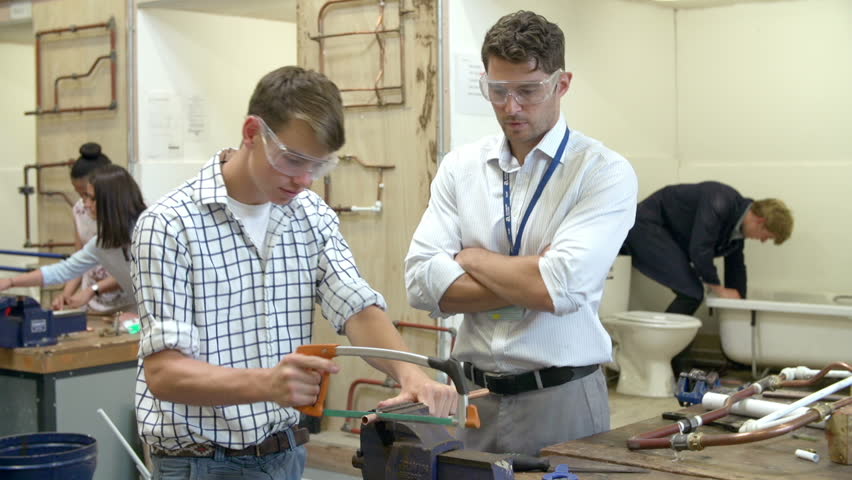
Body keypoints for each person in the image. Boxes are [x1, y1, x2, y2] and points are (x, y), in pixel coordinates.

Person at [131, 66, 456, 480]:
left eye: (318, 167)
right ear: (253, 132)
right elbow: (165, 373)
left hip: (283, 455)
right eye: (293, 160)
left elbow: (356, 306)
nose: (303, 180)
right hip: (198, 462)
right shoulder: (169, 225)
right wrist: (266, 384)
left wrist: (410, 374)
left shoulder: (311, 215)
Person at [404, 11, 638, 456]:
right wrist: (530, 277)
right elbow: (420, 283)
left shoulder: (602, 172)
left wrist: (469, 259)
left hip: (561, 396)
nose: (511, 107)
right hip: (472, 397)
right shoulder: (460, 167)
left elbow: (561, 287)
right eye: (497, 91)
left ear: (561, 84)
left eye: (528, 91)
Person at [620, 182, 793, 316]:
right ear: (760, 221)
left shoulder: (737, 230)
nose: (763, 241)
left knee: (693, 292)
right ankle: (661, 351)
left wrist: (741, 302)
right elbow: (700, 249)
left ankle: (673, 357)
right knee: (692, 292)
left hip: (665, 233)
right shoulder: (720, 201)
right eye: (766, 236)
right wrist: (719, 289)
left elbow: (736, 268)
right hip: (647, 225)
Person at [0, 165, 145, 313]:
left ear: (112, 201)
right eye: (85, 197)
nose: (86, 205)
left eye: (92, 198)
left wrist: (134, 315)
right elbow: (63, 270)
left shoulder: (147, 232)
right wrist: (10, 282)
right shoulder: (101, 243)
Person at [51, 142, 126, 312]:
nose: (85, 203)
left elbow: (131, 272)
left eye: (88, 195)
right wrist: (66, 295)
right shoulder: (80, 210)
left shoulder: (133, 215)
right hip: (93, 304)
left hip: (127, 307)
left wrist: (93, 290)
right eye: (80, 195)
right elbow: (78, 260)